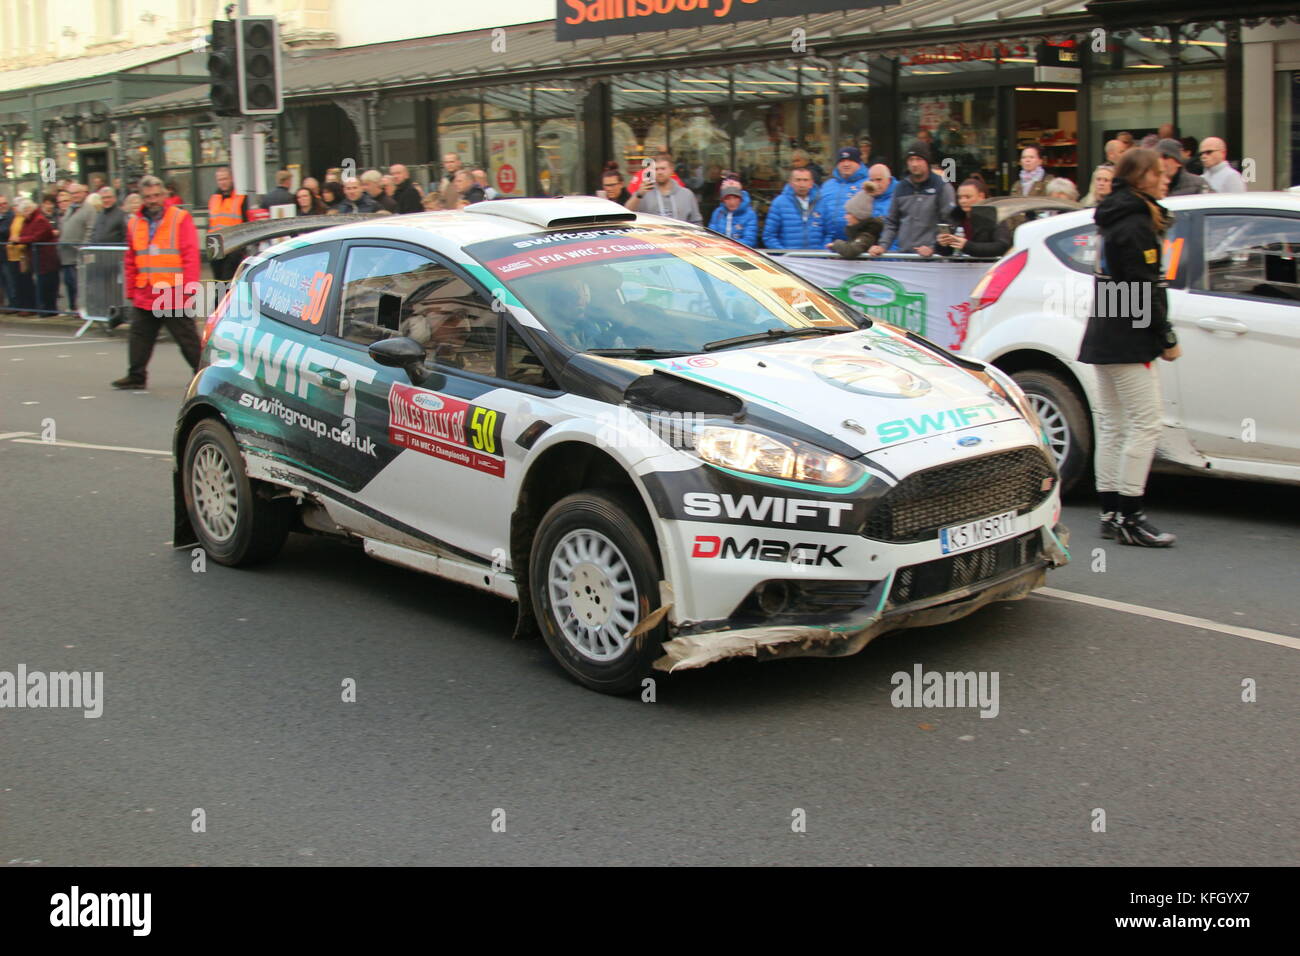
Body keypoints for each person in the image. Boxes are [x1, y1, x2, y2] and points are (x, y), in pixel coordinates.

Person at [1077, 147, 1179, 547]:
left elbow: (1122, 287)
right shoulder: (1135, 223)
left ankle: (1112, 513)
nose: (1166, 177)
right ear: (1142, 177)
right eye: (1159, 172)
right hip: (1124, 339)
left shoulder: (1115, 216)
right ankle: (1131, 517)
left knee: (1115, 425)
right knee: (1145, 424)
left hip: (1105, 333)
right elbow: (1142, 287)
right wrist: (1162, 336)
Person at [111, 176, 201, 389]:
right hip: (146, 291)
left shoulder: (180, 218)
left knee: (186, 338)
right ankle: (136, 375)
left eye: (156, 195)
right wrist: (131, 289)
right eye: (148, 197)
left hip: (173, 291)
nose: (153, 200)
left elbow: (190, 256)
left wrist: (189, 289)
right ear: (142, 198)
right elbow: (131, 259)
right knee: (139, 336)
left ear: (165, 195)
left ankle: (204, 376)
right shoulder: (134, 222)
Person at [868, 142, 955, 258]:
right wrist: (883, 245)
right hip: (906, 258)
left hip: (934, 260)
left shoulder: (942, 187)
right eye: (911, 159)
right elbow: (892, 222)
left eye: (919, 159)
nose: (914, 164)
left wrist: (934, 248)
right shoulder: (900, 187)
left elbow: (949, 223)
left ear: (927, 161)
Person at [936, 178, 1011, 258]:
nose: (963, 201)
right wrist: (942, 244)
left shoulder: (995, 217)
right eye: (960, 197)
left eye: (968, 197)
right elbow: (946, 252)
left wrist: (968, 246)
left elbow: (1002, 246)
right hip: (958, 266)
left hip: (985, 266)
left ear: (981, 196)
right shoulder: (955, 217)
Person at [625, 152, 702, 225]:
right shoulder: (644, 193)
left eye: (663, 168)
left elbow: (696, 222)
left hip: (681, 237)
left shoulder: (686, 194)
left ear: (672, 169)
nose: (659, 172)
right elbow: (627, 214)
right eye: (656, 169)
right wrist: (638, 195)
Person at [17, 197, 64, 314]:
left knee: (48, 285)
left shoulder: (39, 220)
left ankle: (49, 310)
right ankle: (44, 309)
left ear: (28, 210)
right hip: (37, 259)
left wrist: (20, 239)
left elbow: (36, 237)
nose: (23, 216)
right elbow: (25, 234)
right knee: (42, 285)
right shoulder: (28, 221)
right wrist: (21, 239)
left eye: (24, 213)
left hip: (46, 259)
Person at [814, 146, 869, 243]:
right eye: (842, 161)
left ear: (859, 163)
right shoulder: (827, 185)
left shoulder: (868, 184)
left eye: (850, 160)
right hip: (830, 245)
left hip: (860, 243)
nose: (846, 164)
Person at [762, 167, 824, 250]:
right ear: (791, 183)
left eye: (805, 180)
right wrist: (784, 254)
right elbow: (769, 236)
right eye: (798, 180)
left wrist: (822, 253)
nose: (802, 184)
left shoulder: (821, 202)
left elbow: (829, 233)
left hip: (818, 260)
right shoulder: (779, 203)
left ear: (811, 183)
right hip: (788, 260)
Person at [58, 182, 97, 312]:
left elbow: (91, 229)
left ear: (83, 193)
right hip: (66, 255)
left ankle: (84, 308)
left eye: (77, 193)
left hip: (79, 254)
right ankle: (73, 308)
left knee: (79, 284)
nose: (75, 196)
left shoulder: (89, 209)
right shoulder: (70, 208)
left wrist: (84, 247)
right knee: (69, 284)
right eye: (72, 194)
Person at [207, 166, 249, 281]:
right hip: (215, 246)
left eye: (225, 179)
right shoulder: (214, 198)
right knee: (218, 281)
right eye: (220, 180)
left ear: (231, 179)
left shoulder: (240, 198)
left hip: (233, 246)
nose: (223, 182)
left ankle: (225, 298)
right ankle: (220, 299)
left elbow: (246, 223)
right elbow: (211, 223)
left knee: (228, 280)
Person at [5, 197, 37, 310]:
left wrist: (18, 242)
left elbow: (24, 235)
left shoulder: (22, 219)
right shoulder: (15, 218)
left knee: (25, 281)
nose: (14, 208)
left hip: (21, 255)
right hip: (12, 254)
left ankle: (29, 306)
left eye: (16, 205)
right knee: (17, 281)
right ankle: (22, 305)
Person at [708, 182, 759, 247]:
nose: (732, 202)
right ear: (723, 200)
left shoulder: (750, 214)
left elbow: (750, 240)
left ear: (741, 199)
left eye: (735, 198)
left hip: (742, 252)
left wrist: (727, 245)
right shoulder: (718, 212)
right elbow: (711, 235)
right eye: (728, 198)